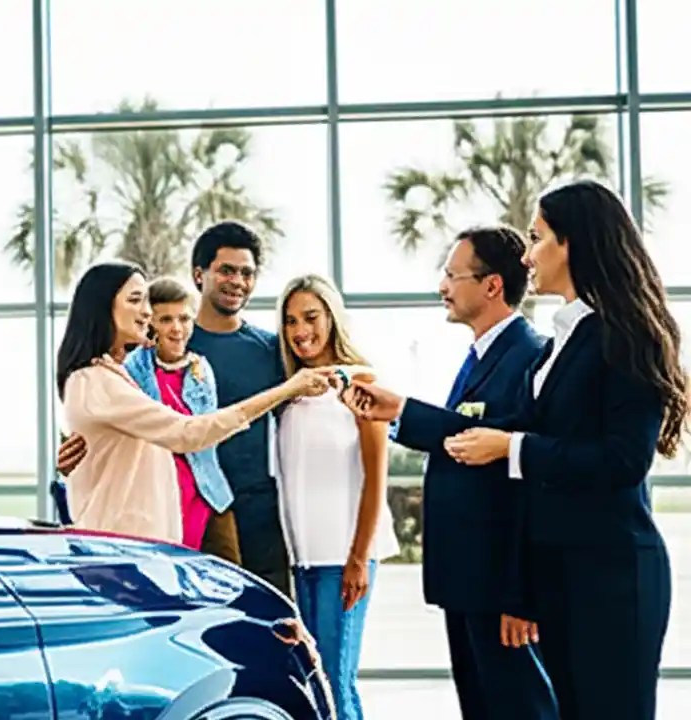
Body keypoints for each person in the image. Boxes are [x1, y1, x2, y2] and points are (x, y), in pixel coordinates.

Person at [345, 180, 684, 720]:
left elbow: (622, 461)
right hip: (563, 575)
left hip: (612, 577)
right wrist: (402, 409)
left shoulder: (624, 334)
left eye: (538, 237)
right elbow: (496, 432)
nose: (528, 254)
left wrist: (514, 448)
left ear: (573, 243)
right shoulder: (560, 342)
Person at [60, 221, 295, 595]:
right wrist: (70, 464)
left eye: (246, 272)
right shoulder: (139, 356)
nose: (237, 281)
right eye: (226, 270)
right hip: (165, 518)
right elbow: (138, 433)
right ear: (199, 275)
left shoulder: (269, 349)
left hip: (244, 508)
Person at [57, 260, 335, 544]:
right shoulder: (95, 381)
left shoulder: (111, 375)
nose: (146, 312)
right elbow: (188, 433)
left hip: (139, 547)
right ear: (104, 308)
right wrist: (286, 390)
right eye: (135, 300)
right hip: (123, 553)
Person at [412, 226, 558, 720]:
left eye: (452, 275)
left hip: (501, 588)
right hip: (468, 581)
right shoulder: (480, 355)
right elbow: (464, 436)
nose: (443, 287)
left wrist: (522, 594)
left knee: (521, 708)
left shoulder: (528, 355)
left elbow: (529, 480)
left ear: (492, 285)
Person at [273, 274, 396, 720]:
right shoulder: (291, 394)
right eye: (290, 321)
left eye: (311, 317)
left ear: (332, 318)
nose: (301, 330)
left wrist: (359, 558)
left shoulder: (359, 386)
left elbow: (375, 478)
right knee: (319, 682)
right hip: (303, 562)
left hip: (343, 559)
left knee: (335, 682)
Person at [120, 276, 239, 557]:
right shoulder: (131, 369)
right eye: (166, 320)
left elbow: (207, 432)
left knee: (229, 585)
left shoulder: (201, 370)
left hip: (208, 495)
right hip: (158, 501)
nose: (177, 329)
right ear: (150, 323)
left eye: (184, 319)